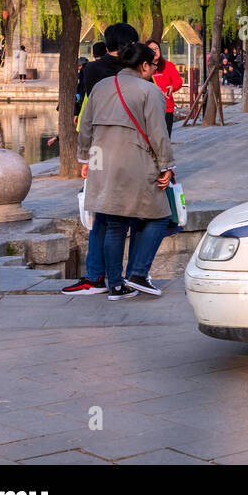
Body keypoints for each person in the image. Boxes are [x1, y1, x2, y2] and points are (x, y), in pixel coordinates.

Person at [76, 42, 175, 300]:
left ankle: (116, 286)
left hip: (101, 164)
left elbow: (85, 127)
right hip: (136, 164)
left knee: (115, 223)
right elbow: (158, 133)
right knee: (160, 216)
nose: (154, 69)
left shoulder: (100, 87)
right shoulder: (150, 91)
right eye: (153, 65)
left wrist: (84, 159)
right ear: (144, 65)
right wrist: (167, 165)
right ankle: (139, 274)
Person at [61, 21, 139, 296]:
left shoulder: (92, 70)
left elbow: (86, 115)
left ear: (107, 45)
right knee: (121, 217)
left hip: (96, 150)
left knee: (99, 212)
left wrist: (85, 160)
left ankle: (96, 275)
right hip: (129, 152)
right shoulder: (134, 73)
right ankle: (126, 276)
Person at [146, 39, 184, 136]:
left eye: (157, 48)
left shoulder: (168, 66)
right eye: (151, 49)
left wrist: (172, 87)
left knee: (165, 139)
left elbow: (178, 81)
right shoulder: (144, 68)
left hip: (167, 108)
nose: (155, 51)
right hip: (150, 109)